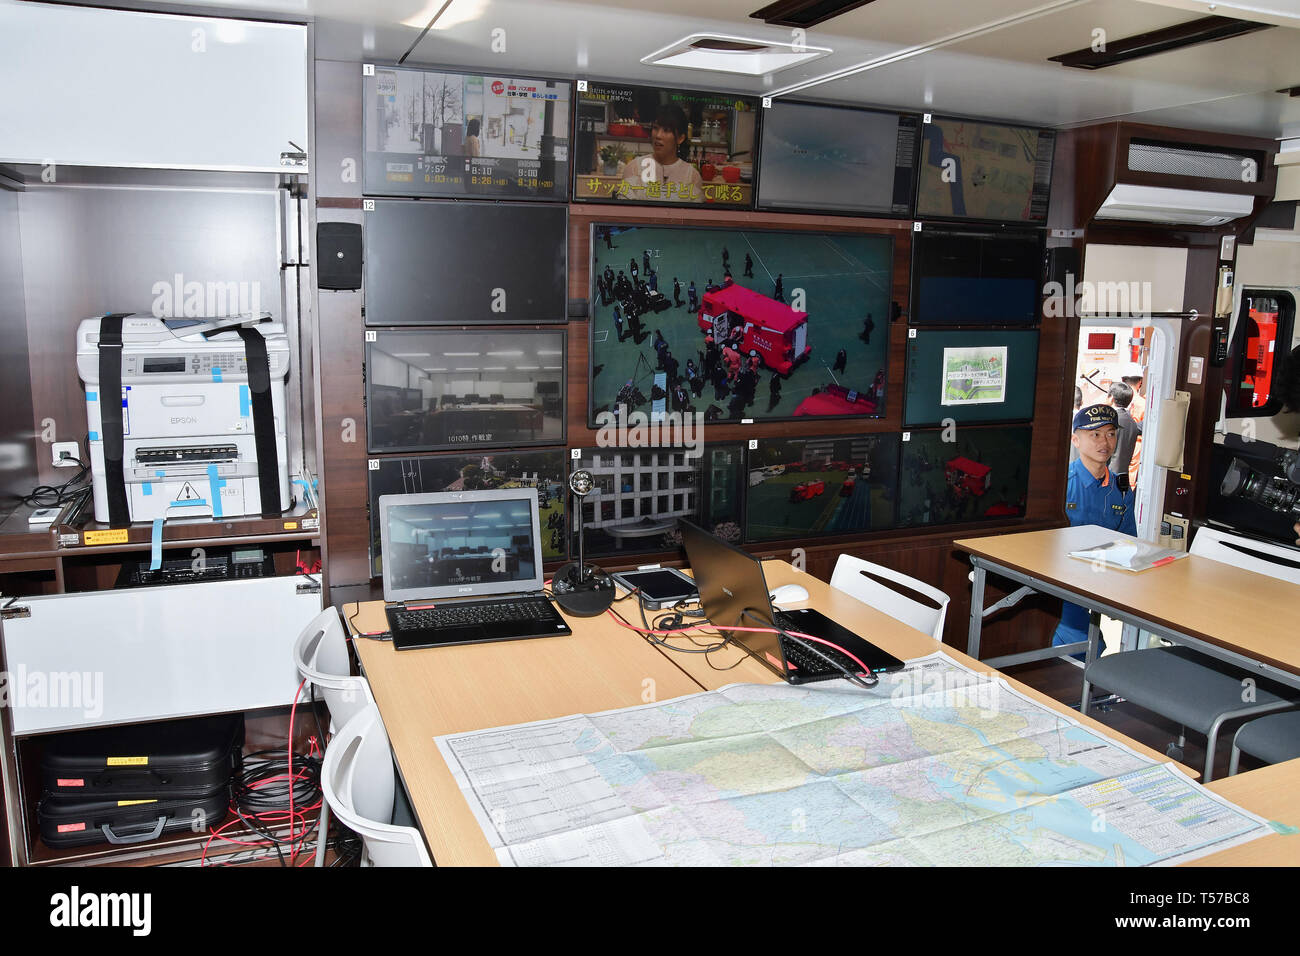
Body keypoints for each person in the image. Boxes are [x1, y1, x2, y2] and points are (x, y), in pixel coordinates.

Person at [1051, 404, 1136, 655]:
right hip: (1059, 589)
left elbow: (1129, 543)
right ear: (1075, 439)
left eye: (1111, 434)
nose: (1104, 442)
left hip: (1098, 586)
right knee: (1081, 651)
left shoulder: (1120, 489)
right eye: (1095, 434)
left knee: (1092, 650)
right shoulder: (1062, 485)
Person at [618, 103, 704, 203]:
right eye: (655, 128)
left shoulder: (692, 176)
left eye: (666, 130)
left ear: (680, 138)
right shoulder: (634, 168)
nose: (658, 135)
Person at [1107, 382, 1142, 492]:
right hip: (1124, 479)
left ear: (1111, 398)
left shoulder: (1110, 421)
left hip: (1107, 478)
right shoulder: (1131, 422)